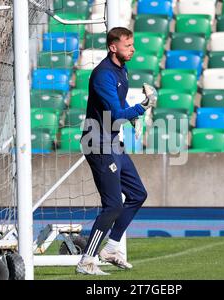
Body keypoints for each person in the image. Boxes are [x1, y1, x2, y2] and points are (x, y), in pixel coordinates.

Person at [77, 27, 156, 275]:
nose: (132, 49)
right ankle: (86, 261)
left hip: (112, 143)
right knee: (112, 205)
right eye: (127, 45)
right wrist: (142, 107)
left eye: (132, 44)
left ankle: (111, 247)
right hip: (97, 144)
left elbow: (119, 109)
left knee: (137, 194)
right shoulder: (103, 75)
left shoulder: (122, 70)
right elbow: (117, 112)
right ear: (113, 47)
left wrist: (133, 117)